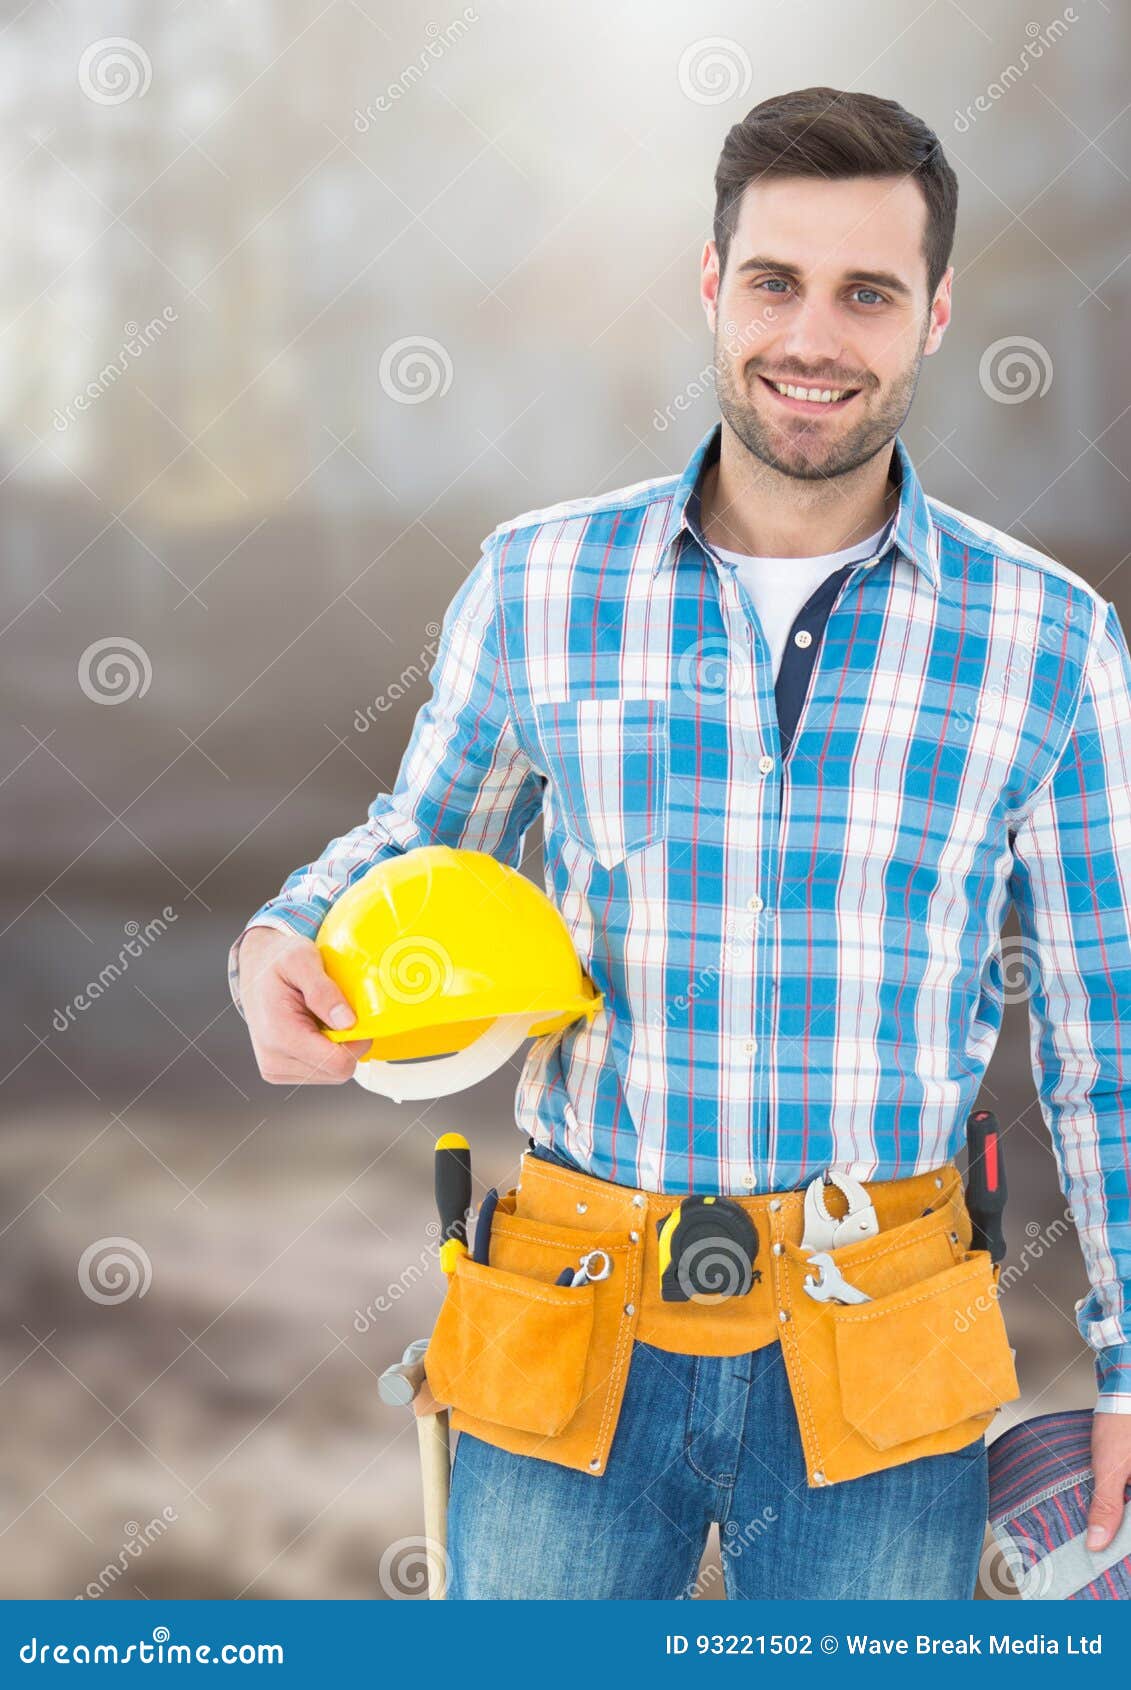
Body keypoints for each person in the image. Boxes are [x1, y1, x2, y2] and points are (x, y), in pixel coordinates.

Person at [228, 86, 1131, 1599]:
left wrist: (1130, 1357)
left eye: (868, 292)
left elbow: (1111, 1026)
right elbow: (419, 843)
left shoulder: (1051, 641)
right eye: (774, 281)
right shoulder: (536, 582)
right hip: (573, 1321)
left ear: (937, 312)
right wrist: (282, 933)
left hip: (888, 1338)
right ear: (712, 286)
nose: (811, 336)